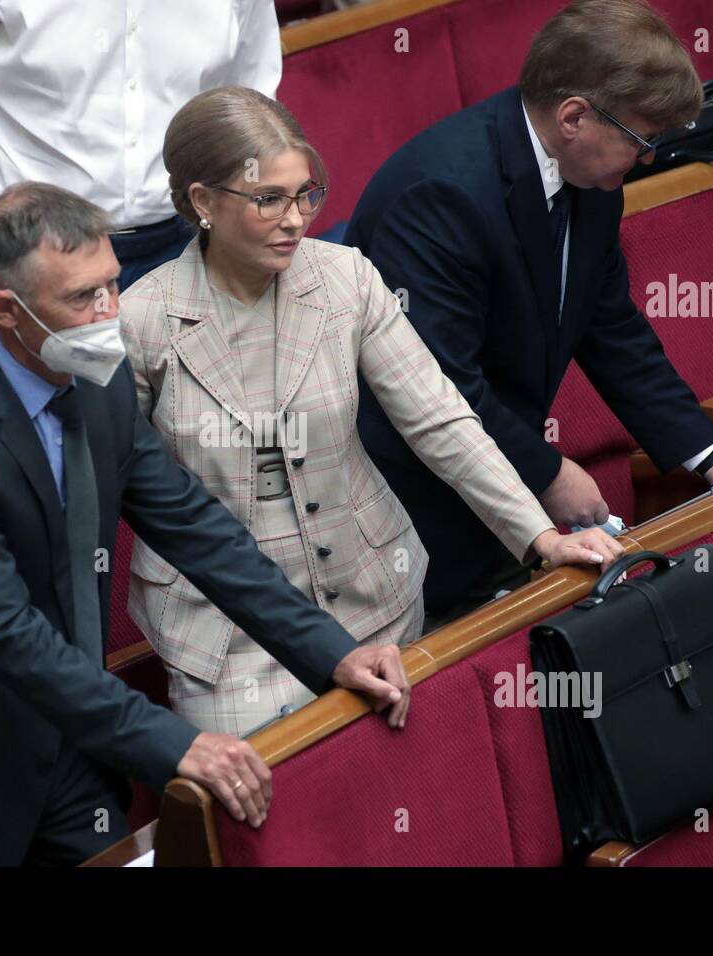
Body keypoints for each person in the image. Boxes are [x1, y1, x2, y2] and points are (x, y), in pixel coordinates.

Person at [0, 182, 411, 867]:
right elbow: (5, 633)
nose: (110, 312)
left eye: (111, 284)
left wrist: (329, 650)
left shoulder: (97, 378)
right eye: (82, 298)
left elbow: (197, 528)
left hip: (70, 754)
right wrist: (178, 745)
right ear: (8, 311)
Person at [118, 87, 623, 736]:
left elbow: (438, 418)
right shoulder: (142, 323)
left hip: (373, 603)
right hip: (226, 640)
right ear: (203, 202)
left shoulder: (346, 279)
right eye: (269, 199)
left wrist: (540, 537)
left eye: (306, 194)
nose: (297, 218)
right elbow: (119, 489)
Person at [345, 0, 713, 626]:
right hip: (405, 502)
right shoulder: (442, 195)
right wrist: (546, 470)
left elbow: (610, 328)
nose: (648, 160)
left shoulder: (588, 179)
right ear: (574, 117)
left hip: (493, 487)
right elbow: (435, 384)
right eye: (642, 141)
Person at [0, 0, 281, 357]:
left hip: (186, 249)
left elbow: (250, 115)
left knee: (189, 428)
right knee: (44, 428)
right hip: (37, 261)